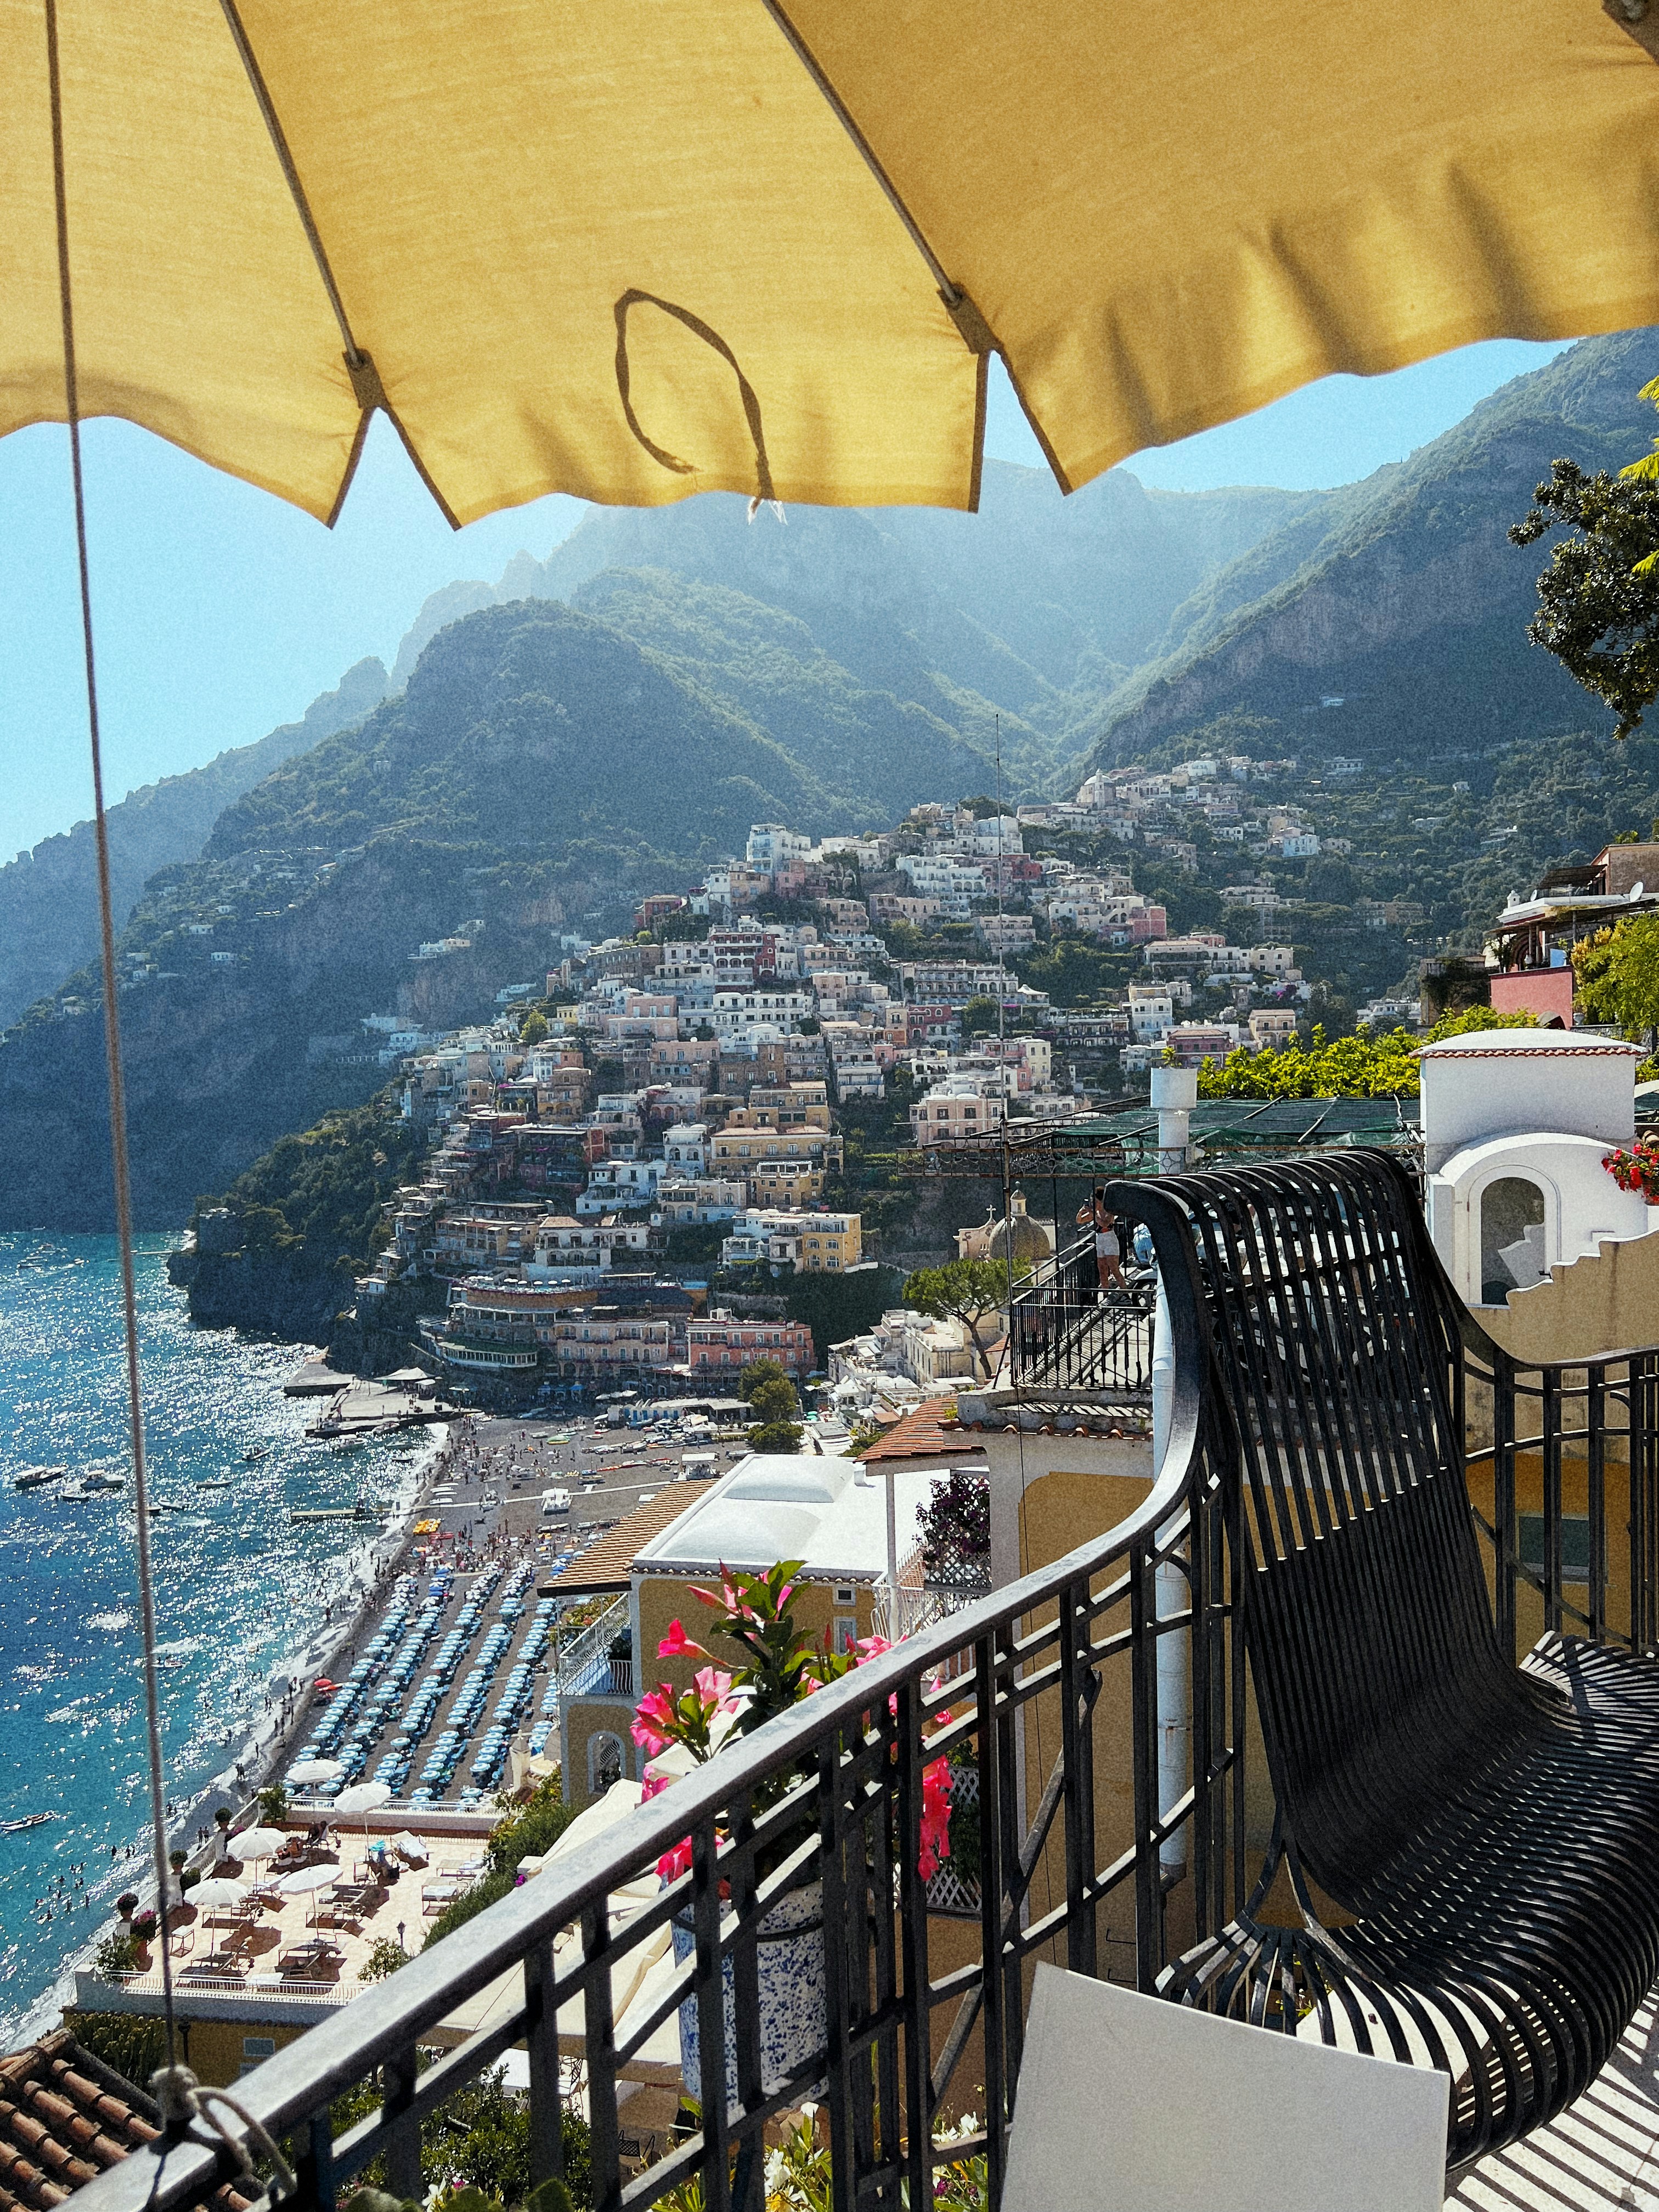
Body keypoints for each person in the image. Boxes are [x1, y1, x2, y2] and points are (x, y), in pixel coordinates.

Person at [1076, 1186, 1125, 1293]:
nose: (1093, 1204)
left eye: (1094, 1202)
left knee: (1114, 1269)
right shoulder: (1096, 1213)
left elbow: (1104, 1223)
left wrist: (1093, 1214)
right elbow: (1080, 1221)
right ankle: (1105, 1295)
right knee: (1102, 1270)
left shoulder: (1109, 1211)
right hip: (1100, 1241)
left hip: (1110, 1240)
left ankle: (1126, 1294)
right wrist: (1081, 1212)